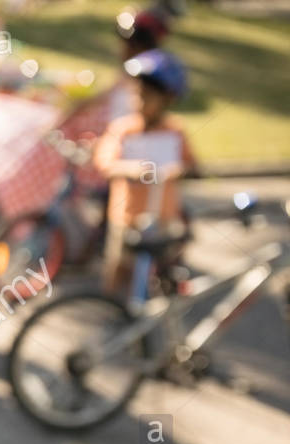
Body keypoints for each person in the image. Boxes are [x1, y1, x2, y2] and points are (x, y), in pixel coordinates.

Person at [92, 49, 198, 297]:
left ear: (167, 99)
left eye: (147, 96)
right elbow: (104, 161)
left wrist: (180, 171)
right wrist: (129, 168)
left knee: (167, 277)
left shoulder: (174, 132)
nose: (140, 101)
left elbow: (192, 166)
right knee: (118, 272)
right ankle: (114, 315)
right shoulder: (123, 129)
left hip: (162, 220)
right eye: (136, 94)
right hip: (127, 219)